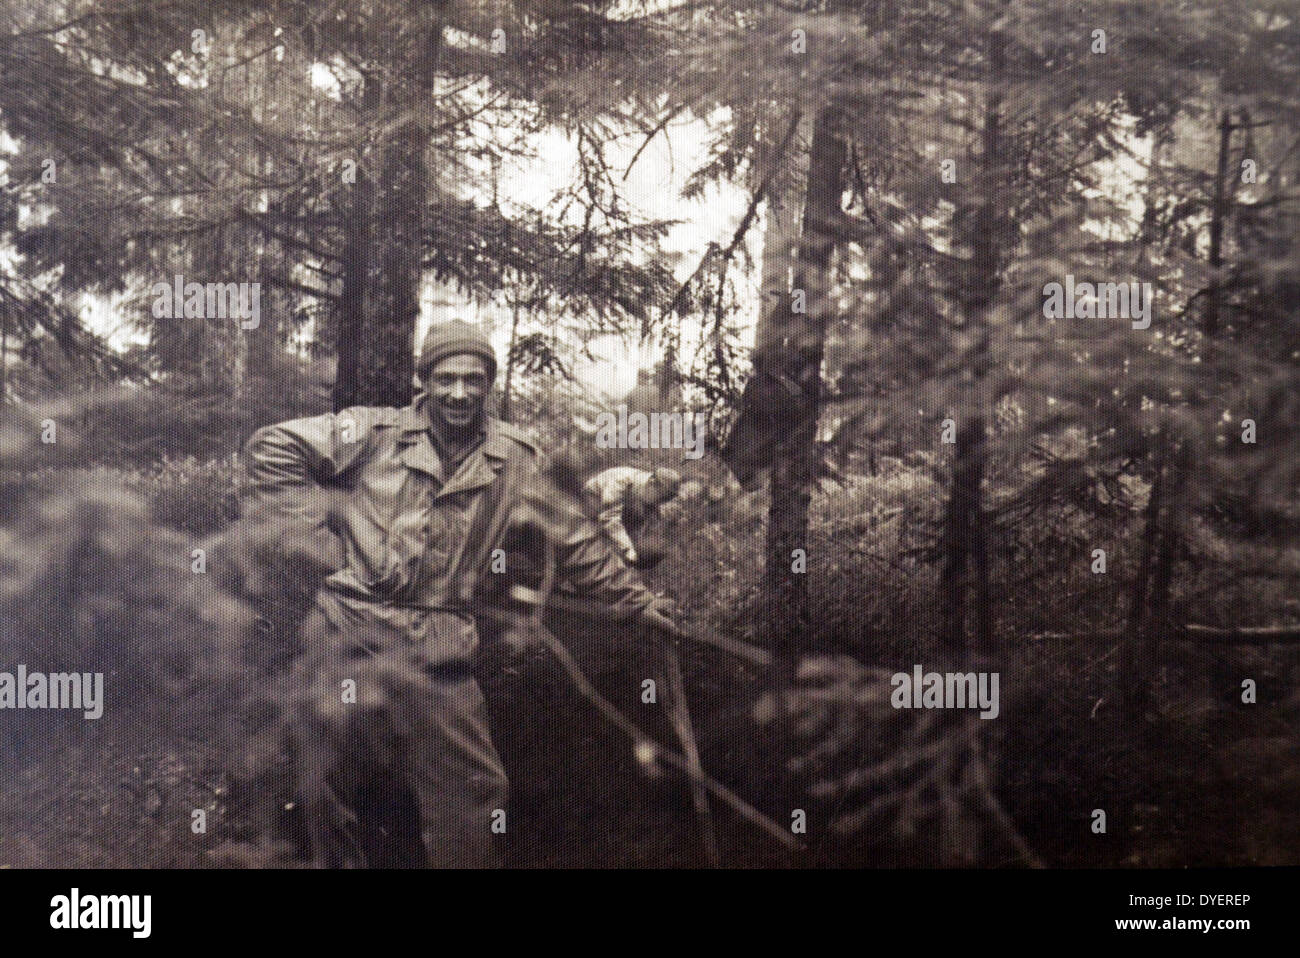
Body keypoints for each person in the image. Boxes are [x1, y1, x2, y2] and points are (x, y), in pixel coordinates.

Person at [242, 319, 678, 867]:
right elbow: (271, 448)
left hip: (440, 642)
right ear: (424, 381)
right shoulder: (371, 434)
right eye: (446, 379)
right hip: (348, 627)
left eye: (473, 380)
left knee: (472, 789)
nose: (459, 393)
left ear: (488, 385)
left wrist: (635, 603)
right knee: (330, 779)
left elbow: (574, 539)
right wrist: (313, 540)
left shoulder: (516, 458)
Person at [582, 466, 682, 570]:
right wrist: (629, 549)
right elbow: (609, 519)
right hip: (590, 505)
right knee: (594, 544)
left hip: (618, 512)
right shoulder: (621, 481)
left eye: (667, 498)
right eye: (663, 497)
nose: (662, 502)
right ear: (652, 483)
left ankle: (624, 567)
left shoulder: (649, 495)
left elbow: (649, 528)